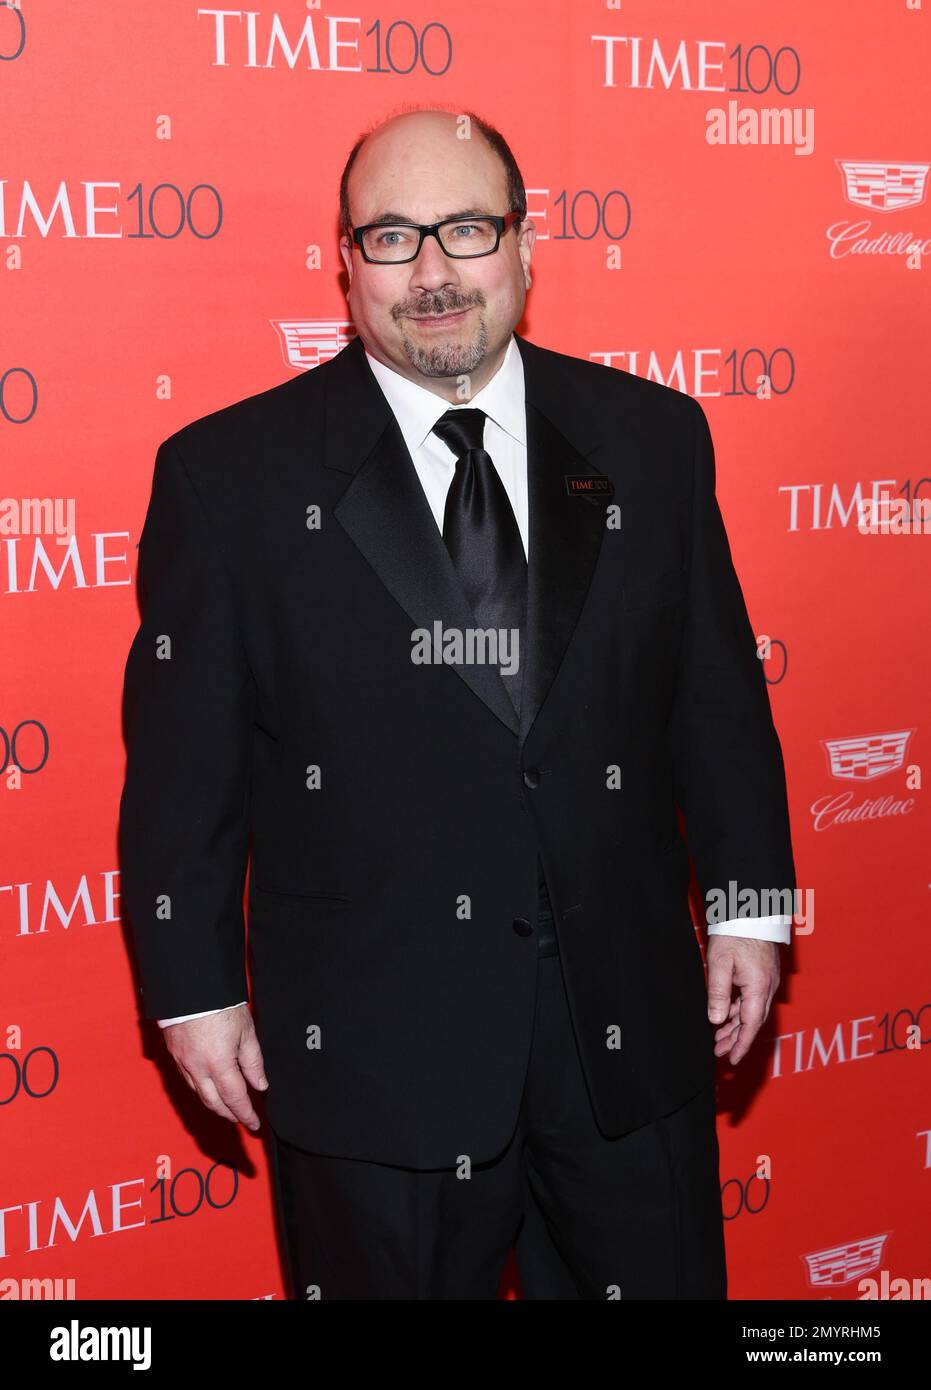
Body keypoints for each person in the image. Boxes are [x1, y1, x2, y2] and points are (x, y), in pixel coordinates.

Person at [118, 106, 796, 1300]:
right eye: (390, 236)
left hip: (623, 1042)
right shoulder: (229, 478)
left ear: (527, 248)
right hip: (375, 1053)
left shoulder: (654, 439)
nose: (432, 272)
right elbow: (184, 772)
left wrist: (749, 906)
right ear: (342, 262)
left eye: (466, 230)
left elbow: (719, 700)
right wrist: (191, 987)